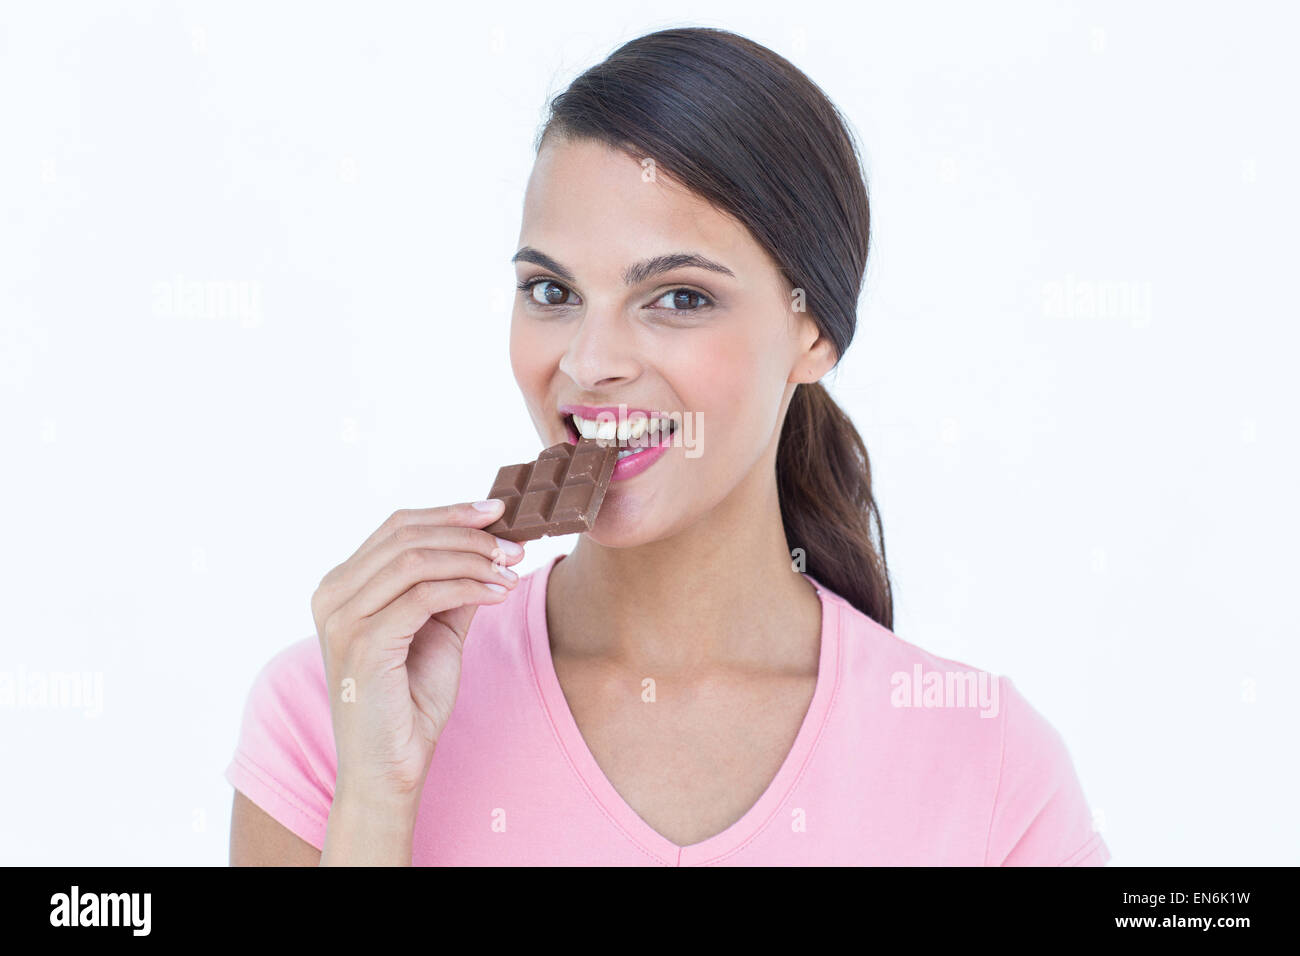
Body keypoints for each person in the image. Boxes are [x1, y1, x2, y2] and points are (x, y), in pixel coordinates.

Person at [226, 26, 1109, 866]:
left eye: (679, 298)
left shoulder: (987, 765)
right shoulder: (339, 707)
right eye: (550, 290)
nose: (589, 361)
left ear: (814, 335)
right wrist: (378, 799)